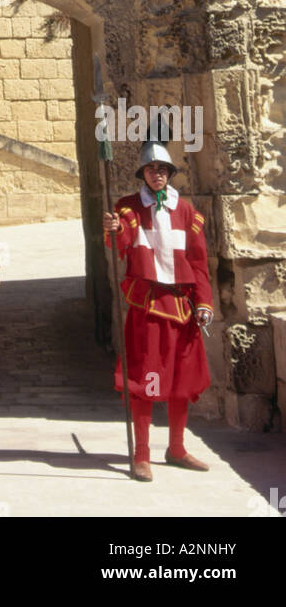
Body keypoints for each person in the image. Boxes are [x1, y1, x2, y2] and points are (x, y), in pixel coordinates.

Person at [103, 133, 214, 481]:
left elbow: (198, 263)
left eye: (162, 169)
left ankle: (177, 448)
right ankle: (142, 454)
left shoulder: (186, 212)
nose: (157, 174)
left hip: (182, 306)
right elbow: (121, 239)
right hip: (148, 304)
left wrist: (204, 301)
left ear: (170, 172)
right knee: (147, 380)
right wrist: (114, 228)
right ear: (142, 174)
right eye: (151, 169)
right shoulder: (129, 208)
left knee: (181, 382)